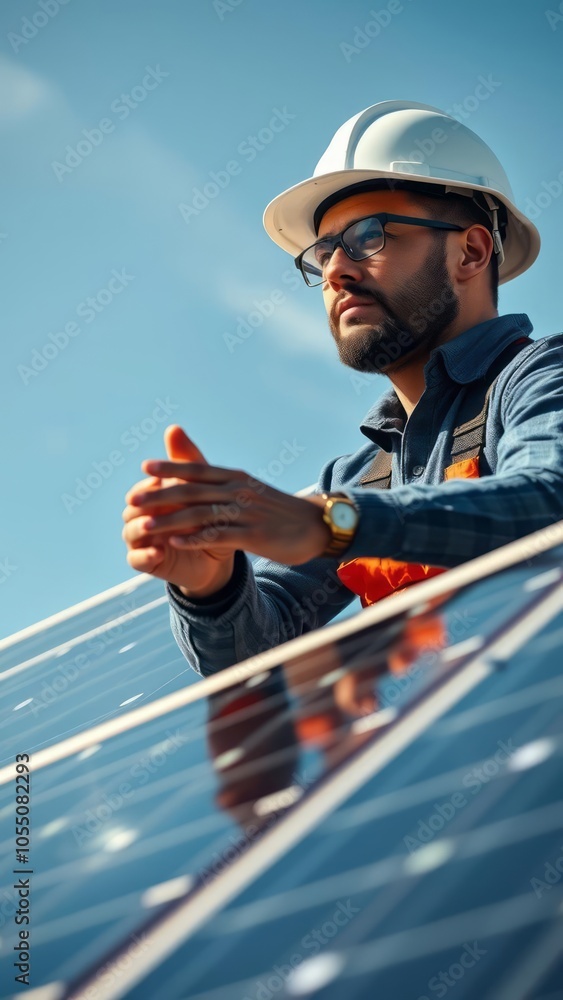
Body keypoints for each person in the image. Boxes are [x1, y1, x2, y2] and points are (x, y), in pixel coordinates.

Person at [122, 100, 563, 677]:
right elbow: (257, 660)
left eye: (369, 235)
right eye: (325, 252)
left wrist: (332, 525)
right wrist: (212, 583)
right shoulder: (357, 477)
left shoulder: (539, 378)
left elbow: (548, 500)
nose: (335, 271)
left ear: (471, 251)